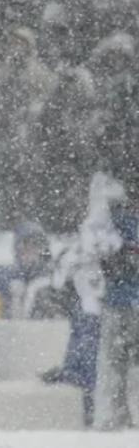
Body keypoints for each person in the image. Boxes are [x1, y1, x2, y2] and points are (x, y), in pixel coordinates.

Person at [95, 179, 139, 430]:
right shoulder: (110, 226)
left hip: (121, 303)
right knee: (116, 364)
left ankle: (117, 417)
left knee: (117, 365)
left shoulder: (110, 225)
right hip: (118, 303)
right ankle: (117, 417)